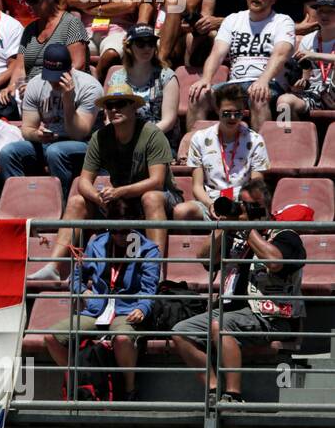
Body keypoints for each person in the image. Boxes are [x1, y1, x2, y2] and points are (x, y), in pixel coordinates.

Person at [171, 178, 307, 403]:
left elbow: (274, 262)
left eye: (248, 206)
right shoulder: (234, 235)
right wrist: (222, 226)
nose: (242, 210)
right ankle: (214, 390)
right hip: (230, 312)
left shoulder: (286, 235)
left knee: (220, 326)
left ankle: (233, 395)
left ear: (263, 207)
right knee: (180, 332)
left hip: (271, 315)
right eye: (239, 204)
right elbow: (203, 258)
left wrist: (248, 229)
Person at [32, 80, 178, 281]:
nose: (114, 109)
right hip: (123, 203)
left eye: (121, 104)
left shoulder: (152, 134)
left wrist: (118, 192)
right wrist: (98, 198)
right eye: (109, 105)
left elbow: (157, 182)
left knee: (151, 197)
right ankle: (54, 267)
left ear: (134, 106)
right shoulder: (100, 137)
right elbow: (83, 182)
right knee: (76, 201)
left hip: (162, 200)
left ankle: (156, 271)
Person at [47, 207, 158, 401]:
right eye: (114, 231)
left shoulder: (147, 249)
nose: (119, 236)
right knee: (51, 337)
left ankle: (130, 390)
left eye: (124, 232)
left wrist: (142, 308)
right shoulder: (97, 244)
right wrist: (83, 292)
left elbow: (150, 288)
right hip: (97, 310)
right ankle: (79, 379)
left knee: (123, 338)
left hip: (126, 309)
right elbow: (75, 278)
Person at [187, 0, 297, 128]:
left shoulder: (282, 21)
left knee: (258, 96)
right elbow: (217, 54)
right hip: (235, 85)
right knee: (198, 95)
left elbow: (280, 54)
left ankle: (261, 150)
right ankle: (195, 147)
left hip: (269, 84)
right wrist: (206, 79)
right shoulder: (233, 20)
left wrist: (263, 80)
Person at [0, 41, 102, 192]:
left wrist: (68, 101)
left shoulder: (89, 87)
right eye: (49, 76)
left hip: (85, 144)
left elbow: (78, 134)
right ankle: (19, 200)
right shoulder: (36, 84)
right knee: (9, 152)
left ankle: (61, 203)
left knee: (56, 151)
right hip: (49, 142)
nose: (53, 81)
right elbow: (27, 129)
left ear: (69, 69)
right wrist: (36, 135)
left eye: (58, 76)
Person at [175, 84, 270, 221]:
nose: (232, 118)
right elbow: (197, 186)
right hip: (210, 201)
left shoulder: (256, 140)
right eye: (226, 113)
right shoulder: (200, 138)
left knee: (255, 213)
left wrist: (239, 207)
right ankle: (187, 243)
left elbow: (256, 185)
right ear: (217, 110)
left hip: (241, 202)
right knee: (180, 211)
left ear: (244, 111)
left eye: (237, 113)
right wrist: (210, 205)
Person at [109, 24, 179, 137]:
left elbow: (169, 121)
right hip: (124, 139)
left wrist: (140, 138)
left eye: (151, 43)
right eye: (140, 43)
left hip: (159, 140)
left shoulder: (167, 76)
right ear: (129, 47)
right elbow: (110, 116)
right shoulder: (117, 77)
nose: (147, 48)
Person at [277, 0, 335, 118]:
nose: (324, 15)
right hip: (315, 93)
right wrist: (301, 84)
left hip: (333, 91)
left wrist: (315, 56)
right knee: (284, 102)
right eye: (320, 11)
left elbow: (315, 57)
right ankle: (289, 135)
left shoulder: (311, 52)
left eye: (330, 11)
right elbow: (306, 72)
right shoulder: (308, 39)